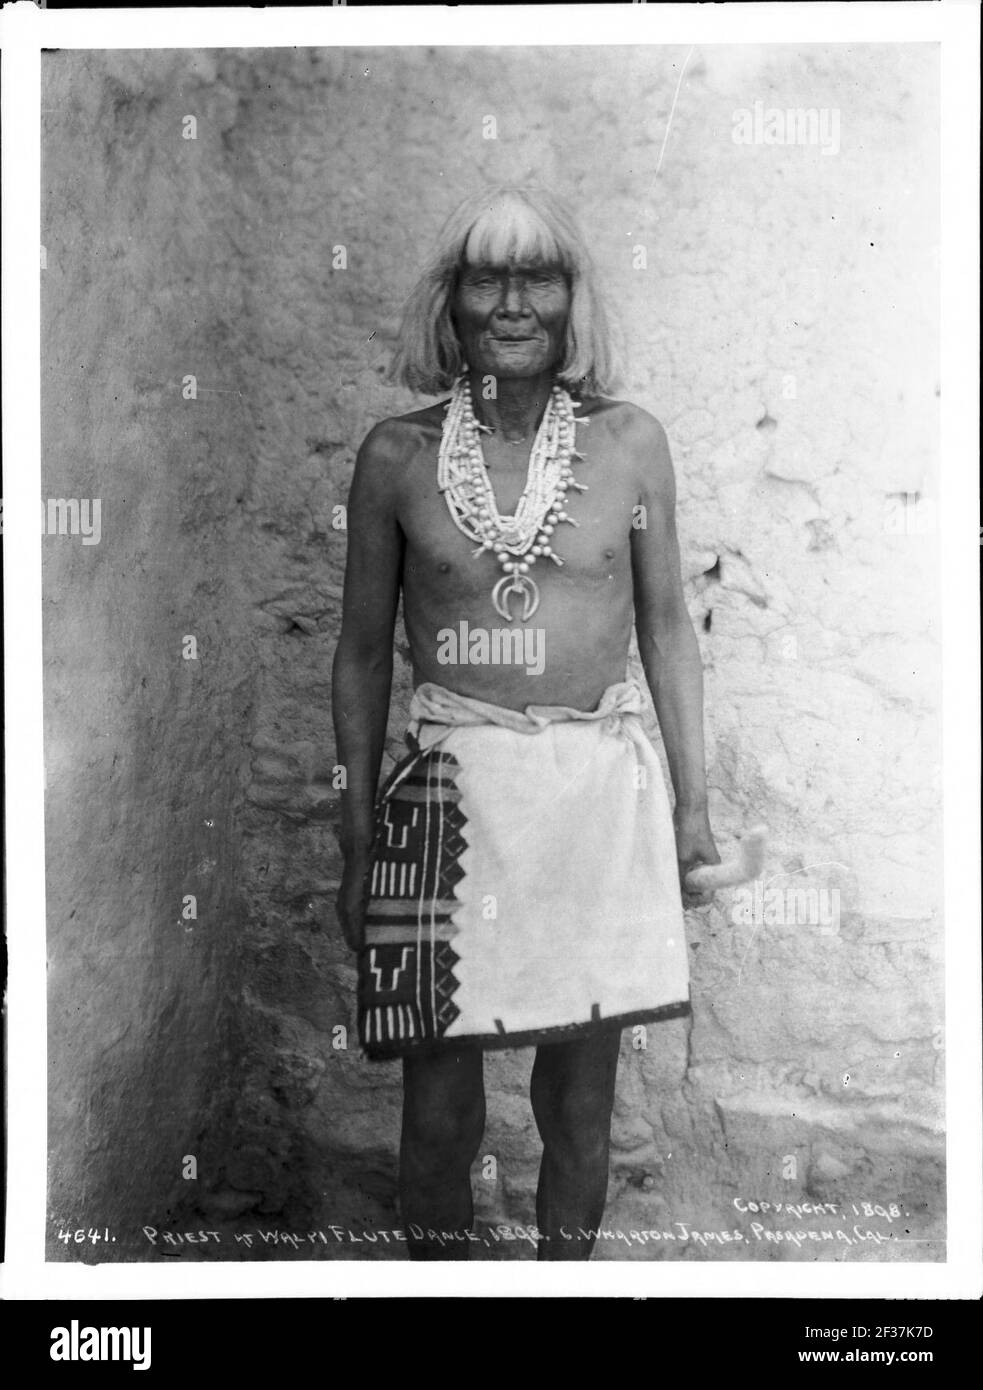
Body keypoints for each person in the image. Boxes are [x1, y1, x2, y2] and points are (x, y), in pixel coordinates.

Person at [332, 185, 719, 1260]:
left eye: (538, 277)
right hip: (445, 797)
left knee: (578, 1107)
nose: (513, 303)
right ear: (448, 302)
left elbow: (664, 629)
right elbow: (362, 655)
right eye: (486, 277)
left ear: (570, 298)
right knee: (436, 1110)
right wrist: (356, 836)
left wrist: (694, 811)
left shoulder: (630, 445)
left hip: (594, 795)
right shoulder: (396, 459)